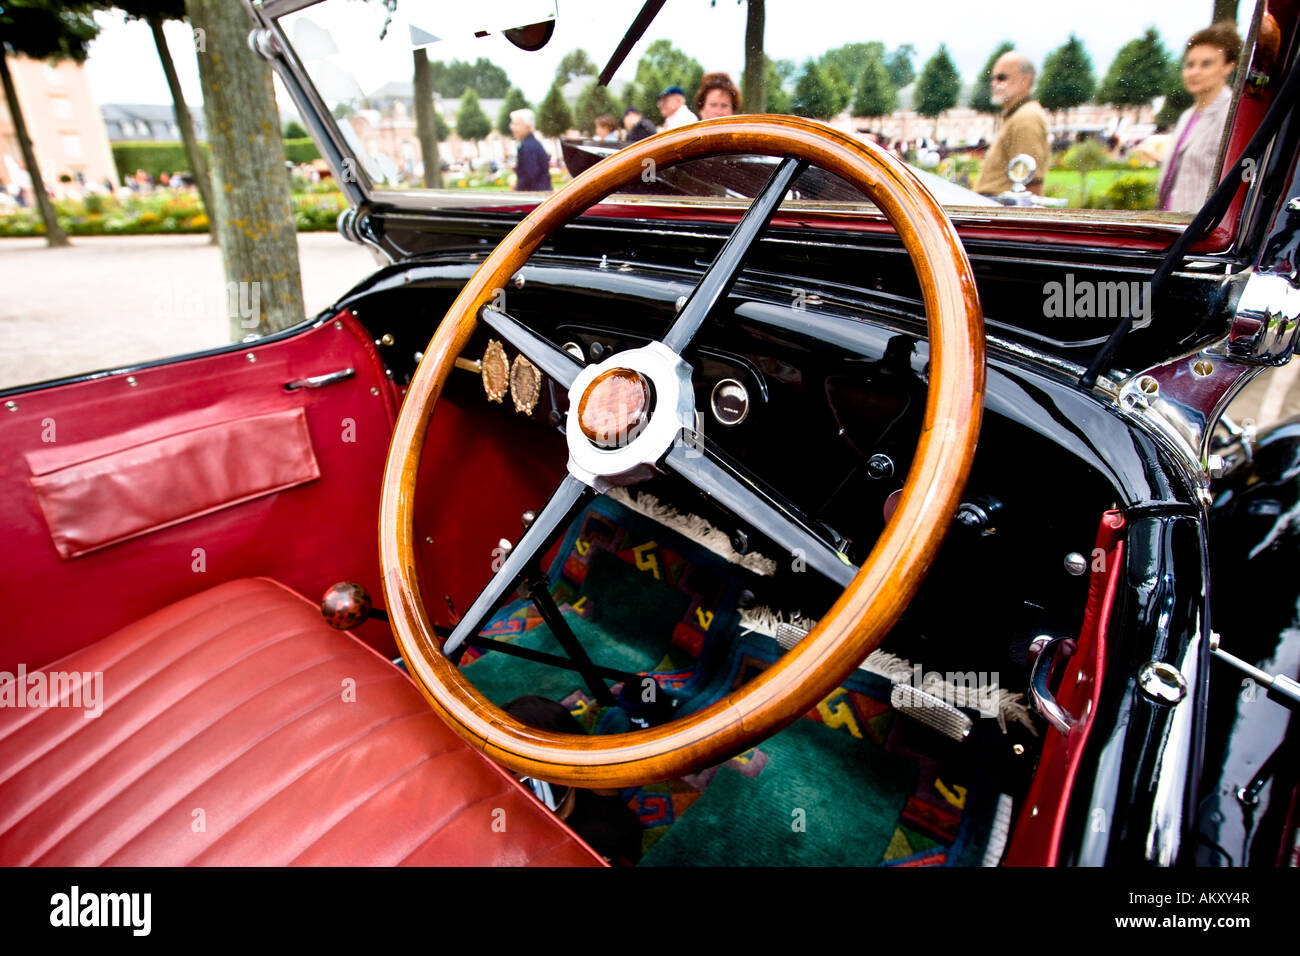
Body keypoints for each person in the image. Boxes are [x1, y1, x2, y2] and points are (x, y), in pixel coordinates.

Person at [1157, 22, 1242, 213]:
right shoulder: (1187, 115)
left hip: (1201, 231)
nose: (1194, 72)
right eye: (1190, 65)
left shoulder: (1231, 114)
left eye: (1207, 64)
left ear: (1229, 67)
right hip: (1171, 224)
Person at [973, 51, 1049, 196]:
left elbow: (1030, 184)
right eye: (993, 78)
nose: (994, 84)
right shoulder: (1017, 115)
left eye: (1002, 78)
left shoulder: (1026, 117)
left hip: (1000, 210)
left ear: (1025, 80)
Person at [508, 108, 551, 192]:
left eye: (516, 124)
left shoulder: (528, 147)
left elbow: (529, 176)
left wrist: (517, 189)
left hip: (536, 196)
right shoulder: (532, 144)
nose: (512, 128)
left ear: (528, 127)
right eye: (512, 124)